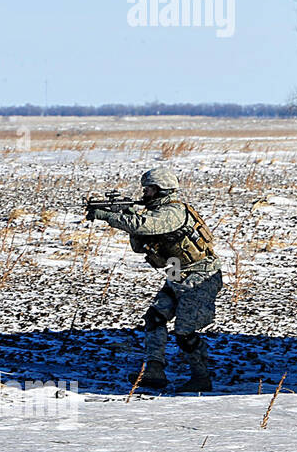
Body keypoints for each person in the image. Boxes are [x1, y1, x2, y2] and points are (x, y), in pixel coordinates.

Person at [87, 168, 222, 393]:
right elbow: (139, 244)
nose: (145, 193)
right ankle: (154, 371)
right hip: (177, 272)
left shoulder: (173, 212)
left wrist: (111, 217)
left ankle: (201, 377)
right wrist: (127, 213)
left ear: (159, 190)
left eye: (148, 189)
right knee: (155, 318)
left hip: (201, 274)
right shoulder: (156, 213)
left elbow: (145, 225)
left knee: (184, 331)